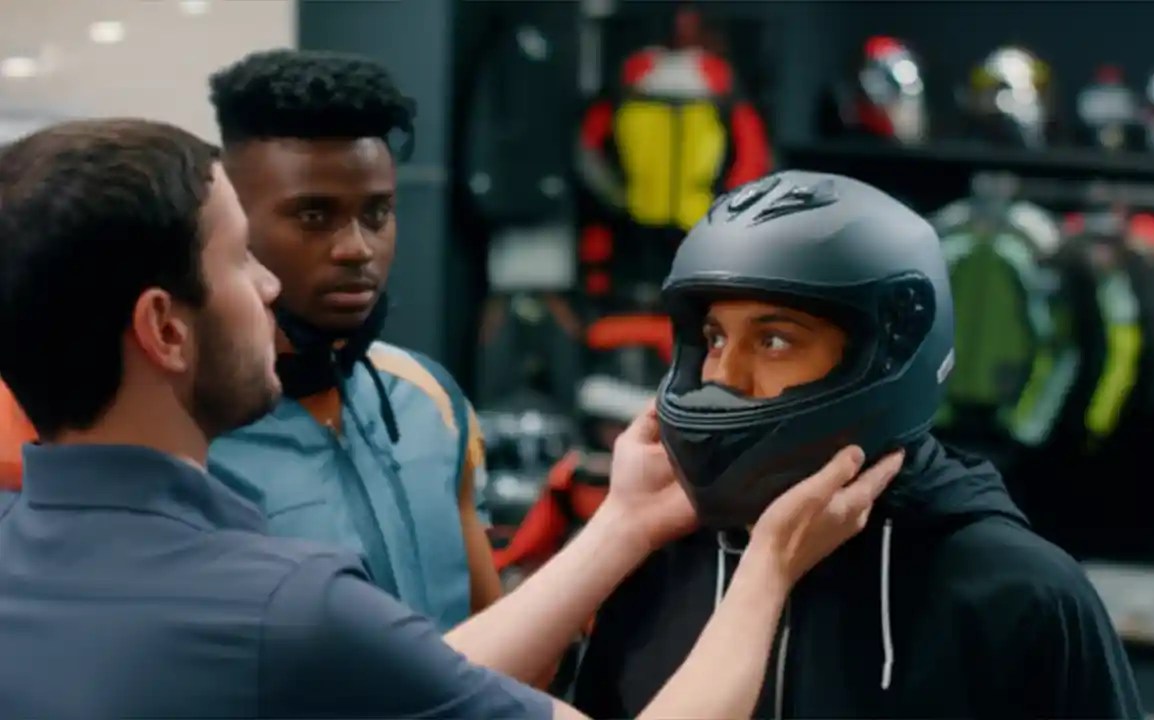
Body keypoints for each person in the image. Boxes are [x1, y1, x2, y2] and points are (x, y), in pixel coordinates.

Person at [0, 118, 904, 719]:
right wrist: (773, 565)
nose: (271, 286)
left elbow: (418, 685)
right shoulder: (283, 610)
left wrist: (625, 522)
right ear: (164, 327)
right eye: (242, 260)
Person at [573, 170, 1144, 719]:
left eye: (773, 340)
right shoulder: (658, 572)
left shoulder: (1018, 592)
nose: (725, 376)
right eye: (715, 338)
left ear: (886, 351)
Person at [203, 49, 499, 628]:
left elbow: (492, 627)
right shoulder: (186, 431)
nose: (357, 248)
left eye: (377, 212)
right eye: (314, 216)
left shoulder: (427, 397)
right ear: (234, 222)